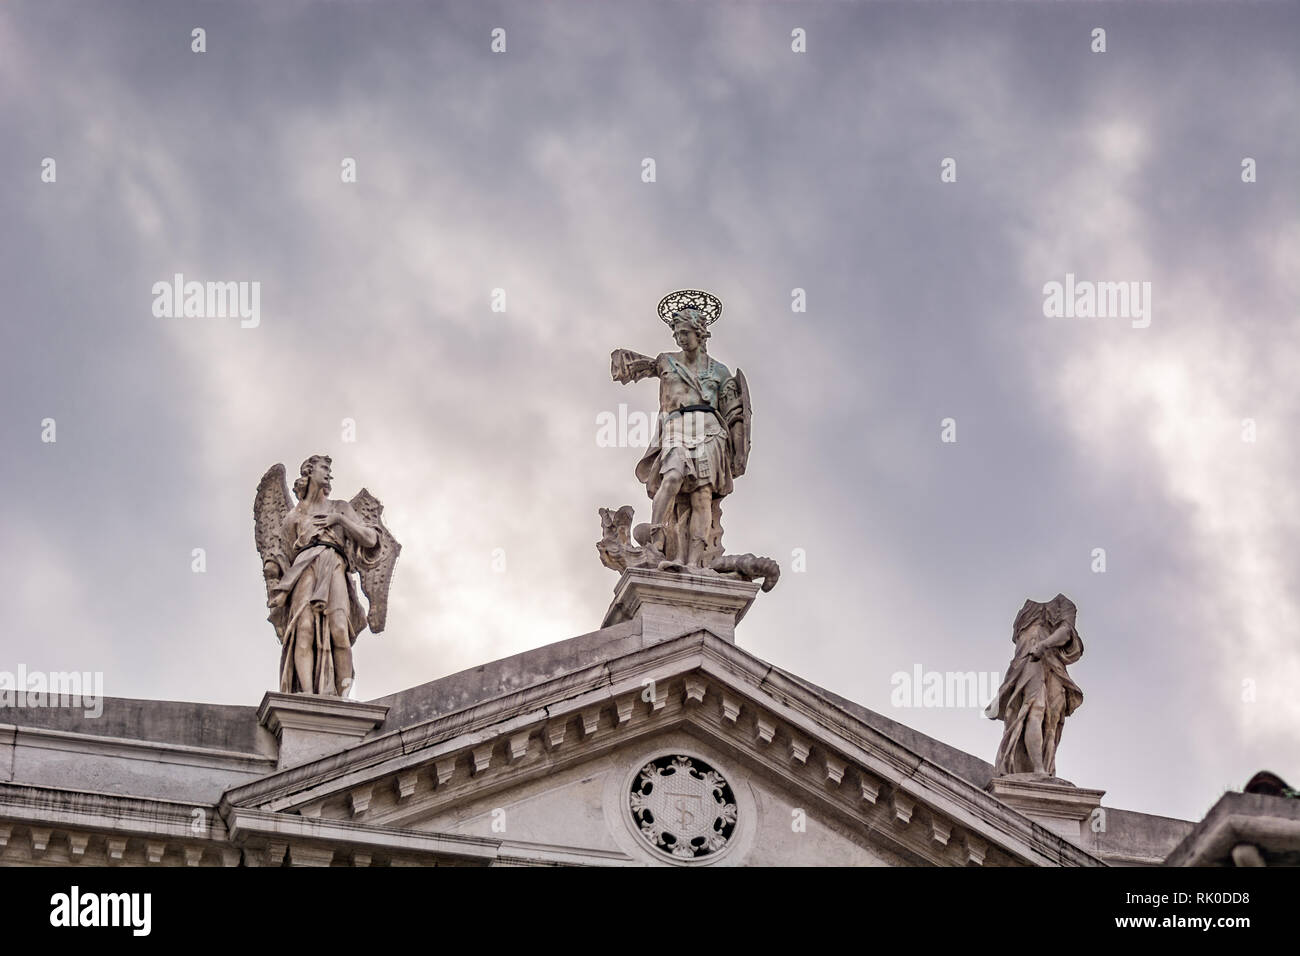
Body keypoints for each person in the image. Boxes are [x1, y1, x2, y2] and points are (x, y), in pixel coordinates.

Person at [611, 304, 746, 569]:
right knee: (671, 477)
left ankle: (694, 562)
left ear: (700, 333)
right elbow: (638, 366)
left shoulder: (719, 372)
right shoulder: (666, 360)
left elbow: (735, 414)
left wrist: (740, 451)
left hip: (711, 431)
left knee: (702, 496)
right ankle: (657, 538)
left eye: (685, 333)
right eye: (677, 333)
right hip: (677, 427)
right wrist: (625, 363)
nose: (680, 338)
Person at [267, 455, 381, 696]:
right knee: (304, 629)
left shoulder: (340, 507)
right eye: (324, 468)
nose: (329, 473)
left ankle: (342, 699)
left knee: (340, 629)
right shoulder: (293, 517)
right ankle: (307, 696)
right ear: (309, 472)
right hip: (303, 569)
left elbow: (370, 539)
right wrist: (274, 578)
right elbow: (280, 556)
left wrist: (339, 520)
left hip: (334, 564)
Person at [984, 594, 1085, 777]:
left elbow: (1066, 632)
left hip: (1053, 664)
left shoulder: (1064, 603)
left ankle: (1046, 768)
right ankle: (1038, 769)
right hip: (1029, 660)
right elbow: (1022, 639)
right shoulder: (1025, 609)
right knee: (1034, 709)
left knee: (1052, 722)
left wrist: (1045, 644)